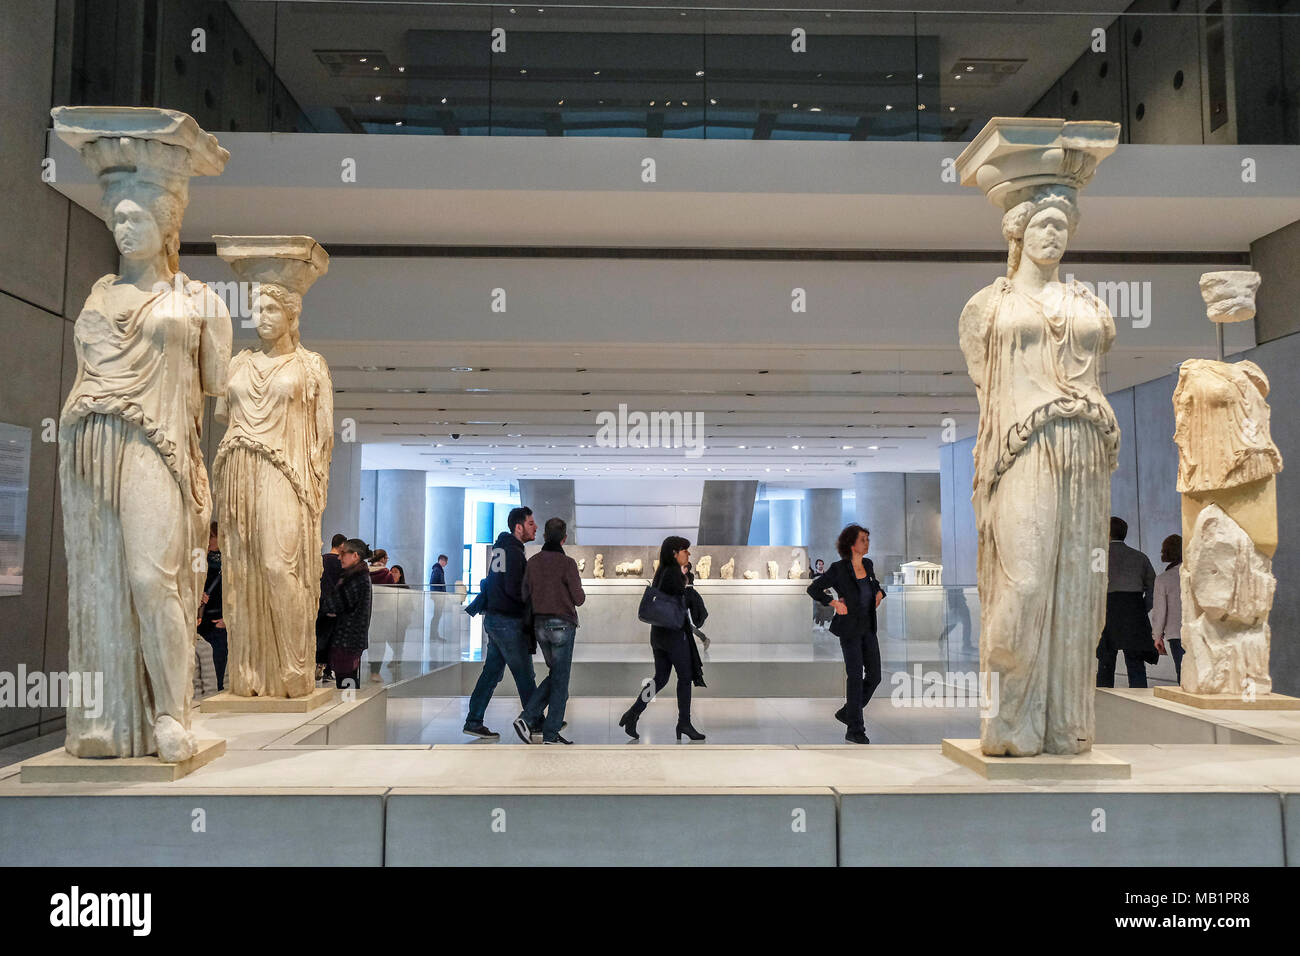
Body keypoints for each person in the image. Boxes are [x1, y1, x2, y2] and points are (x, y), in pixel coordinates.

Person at [618, 536, 706, 742]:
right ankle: (684, 723)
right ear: (675, 553)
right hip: (674, 634)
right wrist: (687, 583)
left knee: (660, 678)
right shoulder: (673, 574)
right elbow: (682, 601)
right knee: (684, 678)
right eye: (685, 550)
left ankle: (633, 713)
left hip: (659, 634)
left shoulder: (662, 572)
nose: (689, 554)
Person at [463, 507, 538, 740]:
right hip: (508, 621)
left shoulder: (501, 549)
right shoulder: (514, 552)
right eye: (531, 523)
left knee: (492, 672)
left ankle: (474, 720)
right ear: (519, 527)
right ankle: (535, 721)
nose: (535, 527)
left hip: (495, 618)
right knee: (524, 673)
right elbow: (514, 590)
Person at [807, 524, 885, 744]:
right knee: (855, 678)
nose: (867, 542)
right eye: (863, 539)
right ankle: (855, 728)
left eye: (868, 539)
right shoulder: (839, 568)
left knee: (875, 676)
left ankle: (848, 711)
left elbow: (875, 585)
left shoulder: (868, 564)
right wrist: (833, 603)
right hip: (850, 629)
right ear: (851, 544)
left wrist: (879, 593)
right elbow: (814, 588)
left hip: (869, 628)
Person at [514, 518, 586, 745]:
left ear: (544, 536)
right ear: (564, 538)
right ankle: (538, 725)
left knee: (556, 676)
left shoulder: (533, 562)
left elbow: (524, 594)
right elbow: (579, 598)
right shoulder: (568, 564)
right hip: (563, 625)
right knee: (560, 679)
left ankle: (544, 728)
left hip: (539, 626)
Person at [1096, 516, 1158, 689]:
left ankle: (1104, 702)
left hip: (1107, 610)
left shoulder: (1098, 557)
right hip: (1133, 609)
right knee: (1136, 663)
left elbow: (1089, 586)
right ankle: (1142, 705)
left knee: (1106, 663)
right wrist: (1142, 608)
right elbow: (1153, 587)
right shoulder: (1140, 557)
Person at [321, 538, 373, 689]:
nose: (339, 557)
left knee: (347, 688)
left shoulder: (355, 578)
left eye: (343, 554)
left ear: (355, 555)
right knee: (347, 685)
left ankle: (351, 709)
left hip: (347, 642)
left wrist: (328, 607)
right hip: (350, 641)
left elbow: (332, 605)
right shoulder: (359, 575)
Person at [197, 522, 227, 691]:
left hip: (218, 619)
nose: (209, 540)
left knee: (218, 661)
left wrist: (227, 619)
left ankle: (219, 691)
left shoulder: (228, 563)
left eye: (212, 536)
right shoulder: (200, 561)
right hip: (201, 619)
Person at [1151, 533, 1184, 684]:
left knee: (1183, 672)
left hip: (1176, 632)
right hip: (1200, 631)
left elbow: (1160, 611)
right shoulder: (1196, 574)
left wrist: (1157, 636)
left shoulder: (1163, 579)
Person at [316, 533, 345, 683]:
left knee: (319, 634)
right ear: (341, 545)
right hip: (335, 603)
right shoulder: (340, 563)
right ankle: (327, 669)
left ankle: (317, 663)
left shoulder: (321, 559)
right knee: (332, 637)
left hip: (319, 603)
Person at [809, 558, 834, 630]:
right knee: (816, 609)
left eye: (822, 564)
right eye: (819, 564)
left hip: (825, 594)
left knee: (826, 607)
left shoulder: (826, 575)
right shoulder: (813, 575)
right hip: (815, 595)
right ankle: (810, 624)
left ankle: (822, 625)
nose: (821, 566)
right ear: (816, 565)